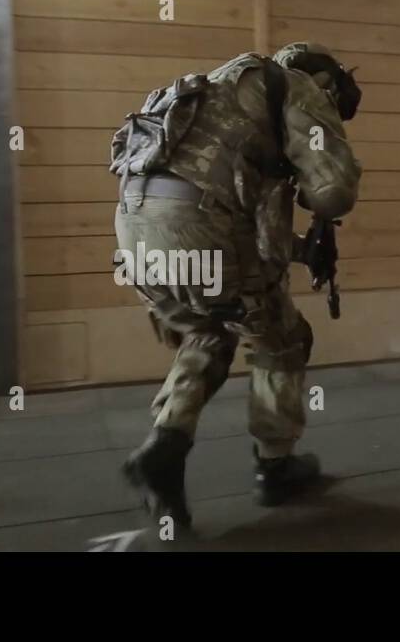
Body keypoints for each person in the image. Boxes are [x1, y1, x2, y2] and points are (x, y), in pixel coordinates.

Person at [110, 42, 363, 529]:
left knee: (207, 333)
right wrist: (325, 180)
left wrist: (300, 248)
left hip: (136, 230)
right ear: (327, 84)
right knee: (282, 340)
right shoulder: (302, 88)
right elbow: (334, 192)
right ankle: (275, 466)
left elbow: (237, 213)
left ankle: (163, 448)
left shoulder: (221, 91)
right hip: (200, 232)